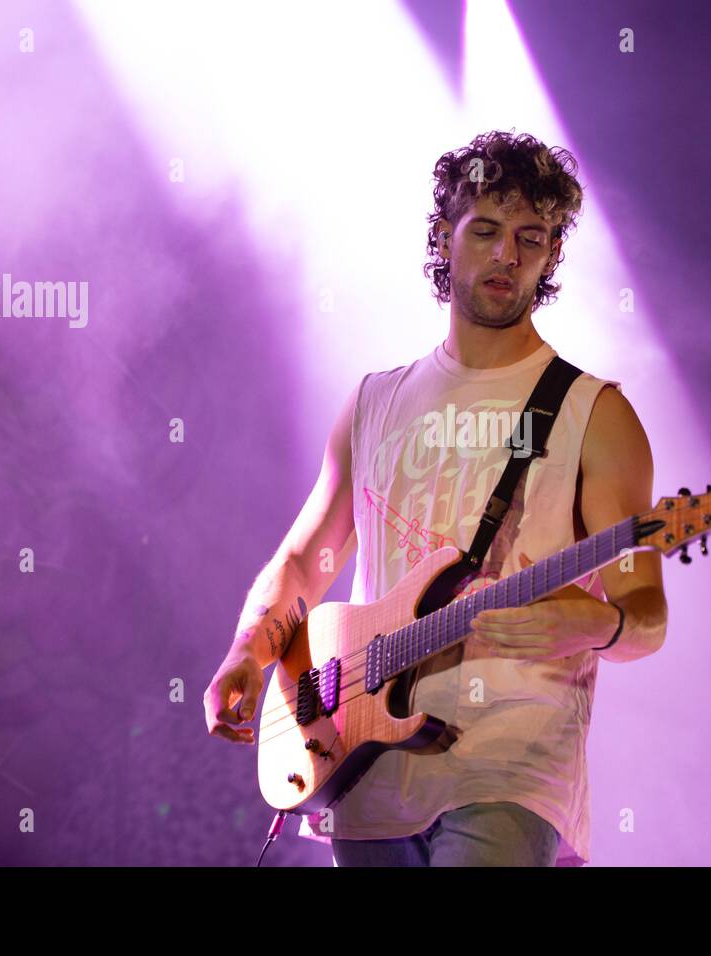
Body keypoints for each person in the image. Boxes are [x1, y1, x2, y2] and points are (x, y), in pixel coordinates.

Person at [204, 130, 667, 866]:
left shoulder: (593, 412)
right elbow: (304, 558)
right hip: (365, 766)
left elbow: (647, 619)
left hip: (512, 762)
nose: (508, 255)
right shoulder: (373, 403)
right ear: (444, 240)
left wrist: (596, 625)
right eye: (485, 230)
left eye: (532, 238)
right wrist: (247, 650)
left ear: (551, 255)